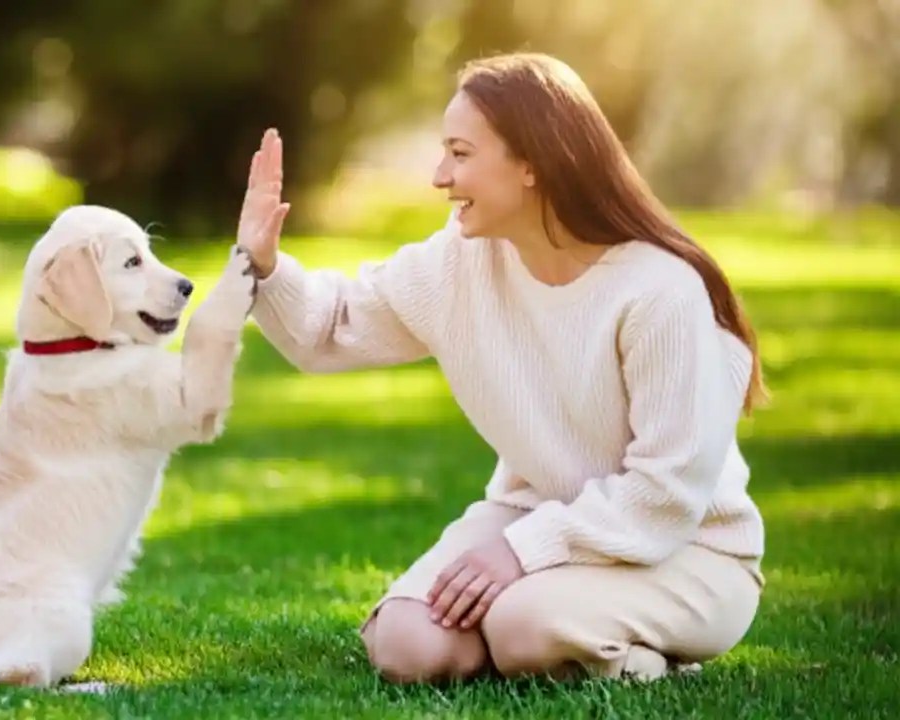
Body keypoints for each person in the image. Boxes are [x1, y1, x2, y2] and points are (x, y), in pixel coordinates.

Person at [233, 52, 767, 684]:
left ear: (532, 164)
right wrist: (263, 263)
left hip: (688, 549)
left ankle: (637, 657)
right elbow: (334, 325)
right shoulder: (463, 262)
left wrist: (522, 553)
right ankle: (564, 638)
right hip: (536, 513)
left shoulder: (658, 290)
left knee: (522, 629)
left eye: (460, 153)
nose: (439, 176)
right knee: (409, 647)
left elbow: (666, 494)